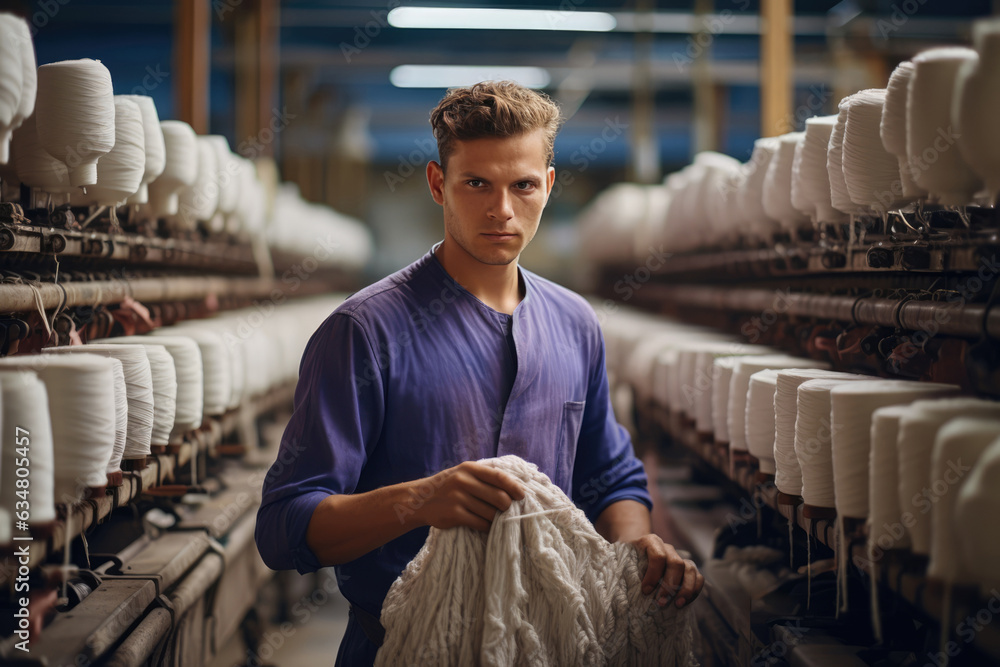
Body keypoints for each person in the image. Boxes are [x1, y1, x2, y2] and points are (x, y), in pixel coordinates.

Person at [254, 80, 704, 665]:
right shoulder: (364, 332)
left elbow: (611, 476)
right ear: (437, 184)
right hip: (402, 649)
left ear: (548, 184)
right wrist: (419, 501)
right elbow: (283, 526)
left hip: (551, 648)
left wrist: (637, 543)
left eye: (523, 185)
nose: (502, 210)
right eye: (477, 184)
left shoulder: (575, 324)